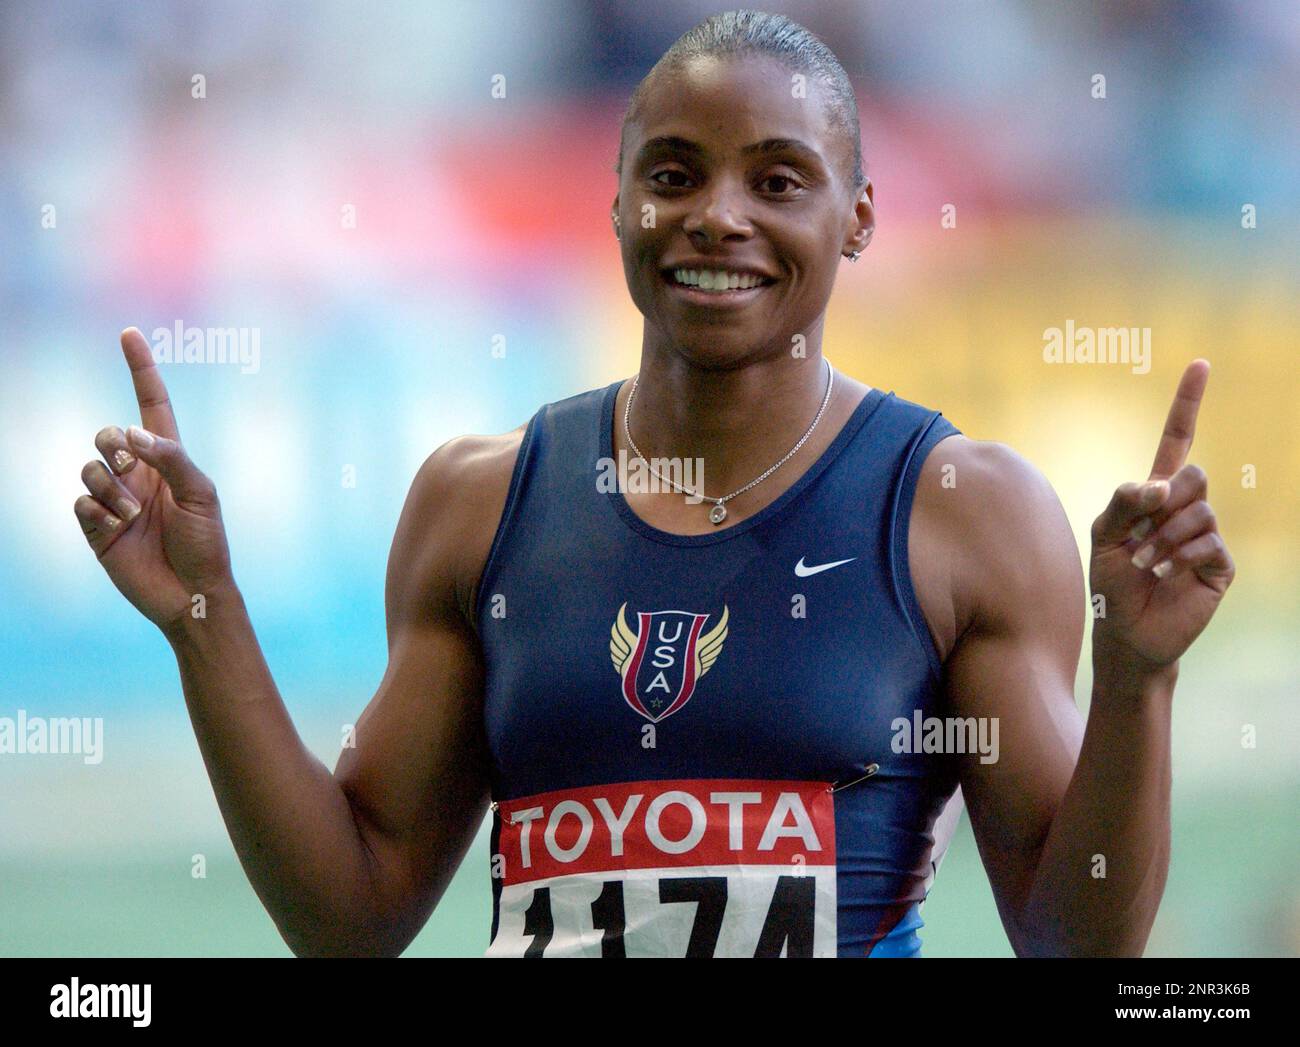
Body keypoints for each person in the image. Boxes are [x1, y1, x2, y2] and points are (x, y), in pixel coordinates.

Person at [74, 11, 1234, 957]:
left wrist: (1136, 685)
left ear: (860, 219)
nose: (717, 216)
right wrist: (201, 614)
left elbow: (1078, 945)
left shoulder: (961, 513)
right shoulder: (480, 505)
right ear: (618, 199)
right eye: (673, 174)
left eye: (779, 181)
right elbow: (349, 914)